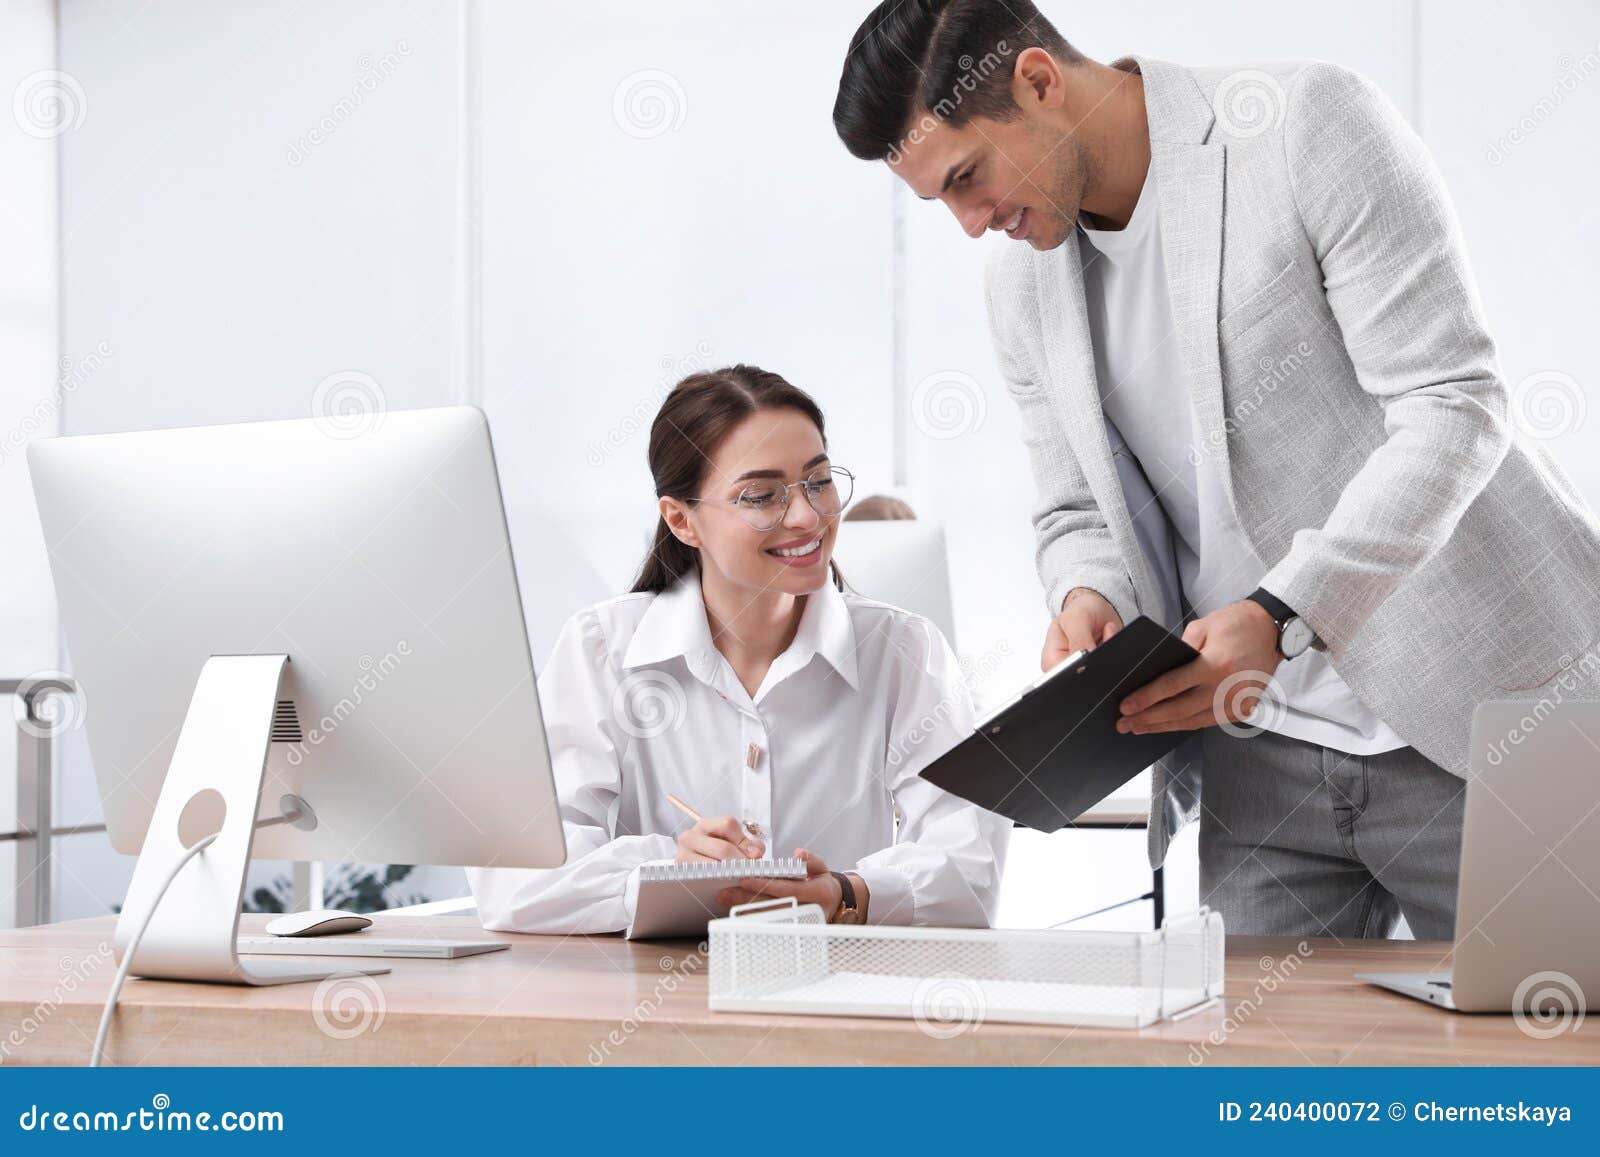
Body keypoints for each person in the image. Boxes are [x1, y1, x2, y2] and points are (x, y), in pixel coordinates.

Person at [831, 0, 1600, 938]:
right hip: (1258, 758)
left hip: (1469, 714)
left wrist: (1283, 616)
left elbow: (1453, 406)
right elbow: (1076, 507)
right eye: (939, 202)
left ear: (1038, 81)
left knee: (1550, 1019)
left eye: (967, 177)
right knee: (1246, 1034)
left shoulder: (1304, 125)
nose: (969, 223)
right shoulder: (1021, 285)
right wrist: (1087, 594)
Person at [469, 365, 1008, 933]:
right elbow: (514, 876)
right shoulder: (602, 649)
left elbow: (971, 868)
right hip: (649, 986)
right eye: (760, 496)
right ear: (682, 520)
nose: (807, 517)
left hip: (840, 981)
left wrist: (844, 894)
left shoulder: (902, 651)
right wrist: (668, 871)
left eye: (818, 481)